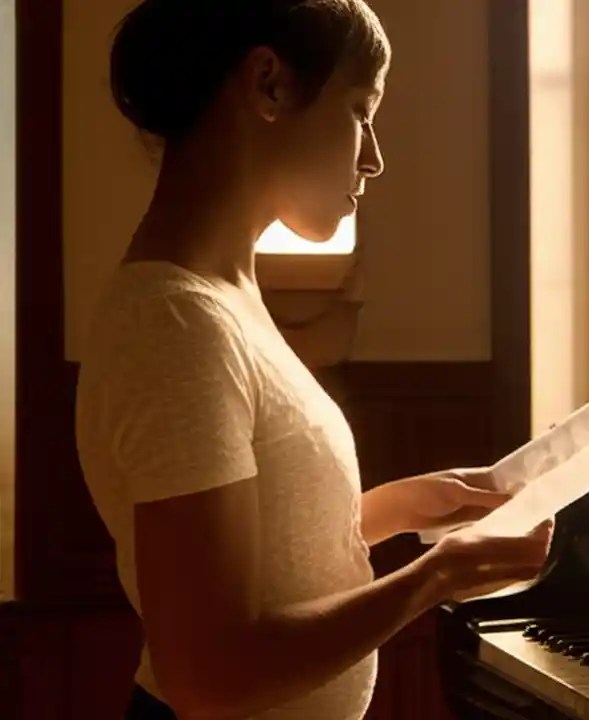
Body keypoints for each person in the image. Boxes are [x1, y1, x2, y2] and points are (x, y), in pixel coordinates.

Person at [73, 1, 553, 718]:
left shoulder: (224, 295)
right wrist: (434, 579)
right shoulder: (175, 320)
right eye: (361, 110)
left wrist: (397, 510)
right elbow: (209, 677)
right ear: (268, 84)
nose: (374, 156)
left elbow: (253, 558)